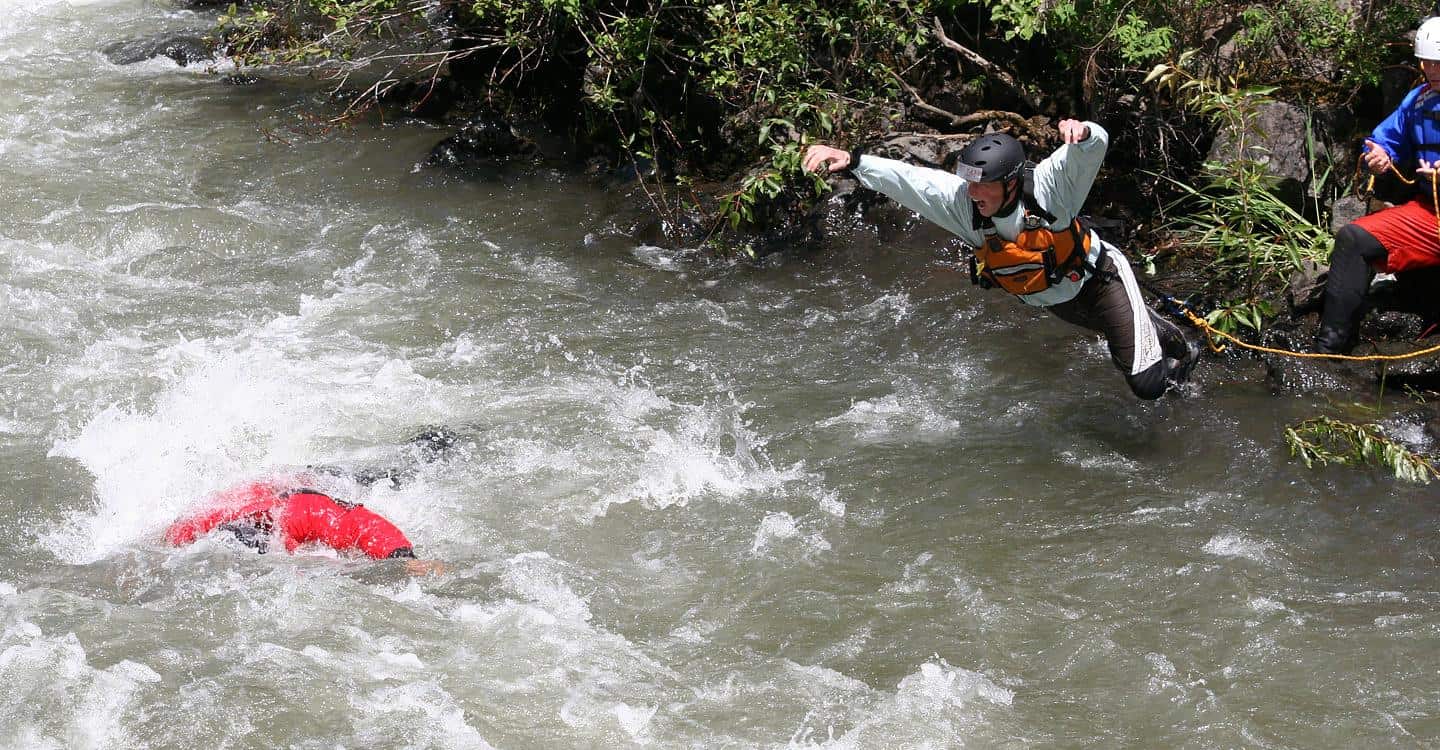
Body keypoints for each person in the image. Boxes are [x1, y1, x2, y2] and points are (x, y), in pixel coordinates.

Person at [803, 120, 1199, 399]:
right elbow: (913, 183)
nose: (974, 193)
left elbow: (1091, 151)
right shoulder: (965, 204)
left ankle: (1182, 358)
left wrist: (1085, 133)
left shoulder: (1048, 191)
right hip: (1056, 301)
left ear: (1010, 183)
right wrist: (855, 162)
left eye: (983, 186)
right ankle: (1152, 329)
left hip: (1100, 280)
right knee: (1119, 340)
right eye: (970, 183)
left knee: (1146, 385)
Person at [1313, 16, 1440, 354]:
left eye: (1439, 63)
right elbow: (1384, 140)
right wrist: (1380, 155)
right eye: (1427, 62)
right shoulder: (1417, 100)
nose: (1432, 70)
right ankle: (1329, 351)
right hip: (1431, 216)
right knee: (1354, 238)